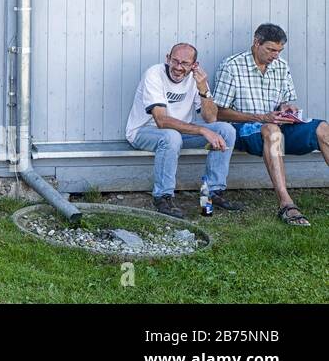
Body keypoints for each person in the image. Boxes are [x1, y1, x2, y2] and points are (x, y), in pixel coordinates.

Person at [212, 24, 329, 227]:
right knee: (272, 130)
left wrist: (288, 108)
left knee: (323, 128)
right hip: (246, 130)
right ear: (256, 43)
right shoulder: (231, 66)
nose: (276, 55)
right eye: (271, 50)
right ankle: (286, 203)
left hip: (278, 125)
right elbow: (218, 113)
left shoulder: (281, 66)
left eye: (279, 51)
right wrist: (261, 117)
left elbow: (287, 100)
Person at [126, 43, 240, 218]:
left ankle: (213, 192)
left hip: (180, 134)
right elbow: (161, 121)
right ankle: (163, 197)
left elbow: (211, 118)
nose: (178, 67)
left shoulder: (197, 79)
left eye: (185, 63)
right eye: (175, 61)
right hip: (144, 132)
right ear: (167, 58)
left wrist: (203, 89)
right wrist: (202, 130)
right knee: (171, 137)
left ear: (194, 65)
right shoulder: (154, 74)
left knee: (226, 130)